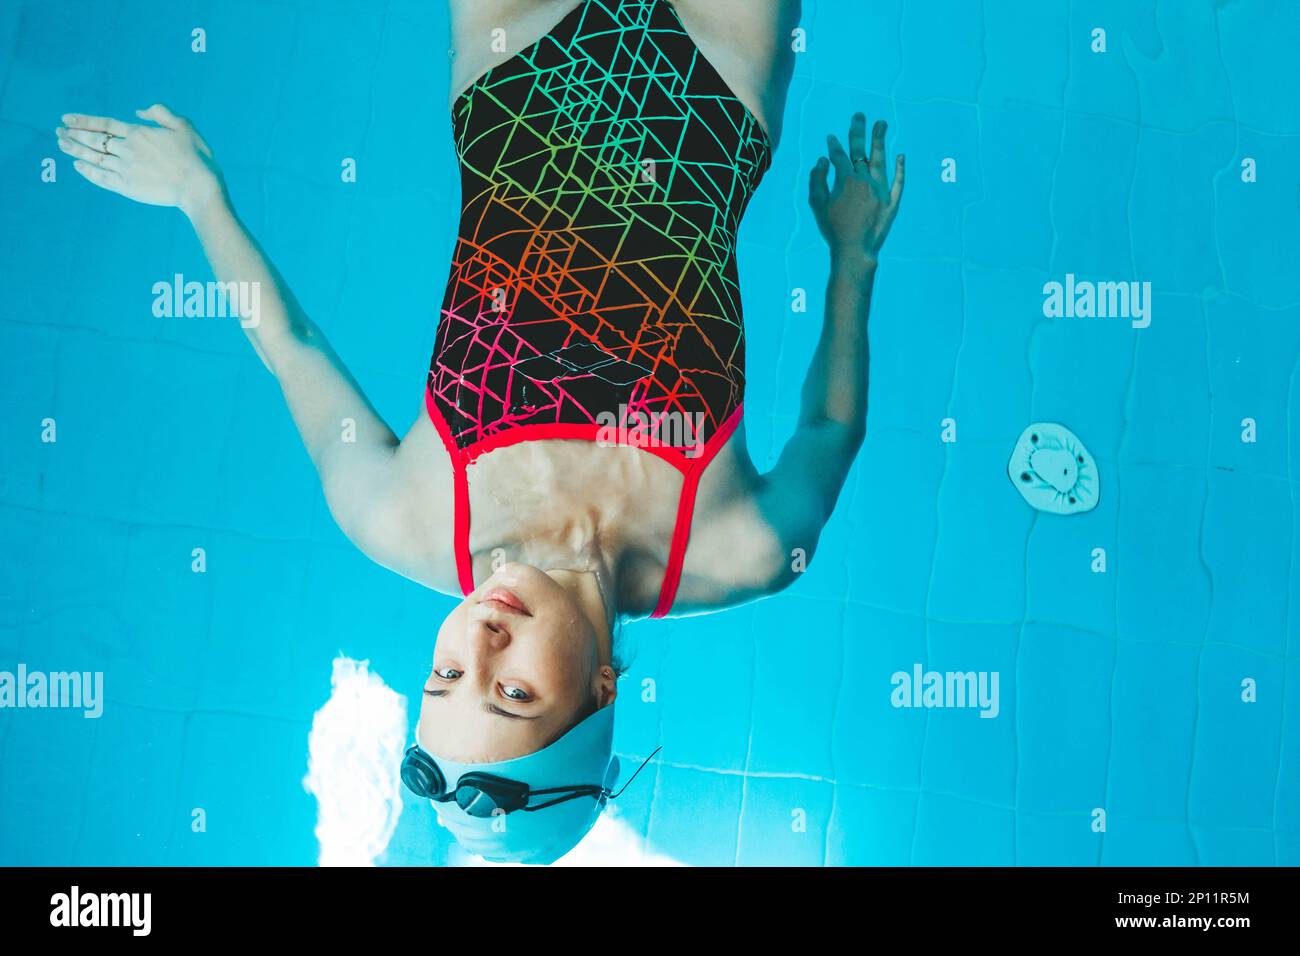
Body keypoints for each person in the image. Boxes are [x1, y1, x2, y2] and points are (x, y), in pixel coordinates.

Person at [55, 0, 903, 864]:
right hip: (718, 77)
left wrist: (200, 197)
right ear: (602, 692)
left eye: (447, 677)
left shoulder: (401, 518)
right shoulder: (737, 551)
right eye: (515, 692)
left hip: (517, 49)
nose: (478, 642)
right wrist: (853, 260)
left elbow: (289, 345)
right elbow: (831, 430)